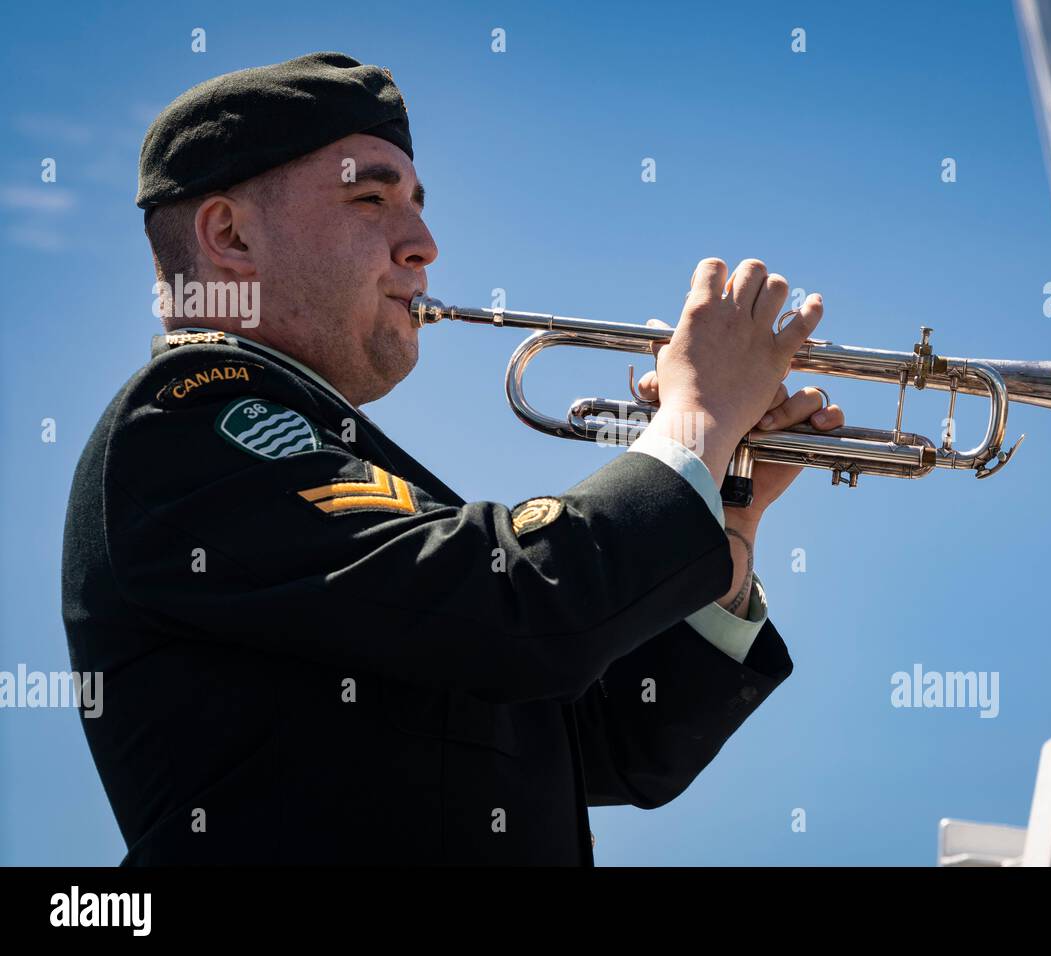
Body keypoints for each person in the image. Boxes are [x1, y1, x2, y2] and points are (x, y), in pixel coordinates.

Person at [61, 52, 843, 865]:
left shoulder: (341, 474)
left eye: (419, 206)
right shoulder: (190, 416)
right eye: (369, 198)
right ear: (230, 236)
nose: (424, 245)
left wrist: (725, 522)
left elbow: (615, 743)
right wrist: (695, 428)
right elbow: (524, 612)